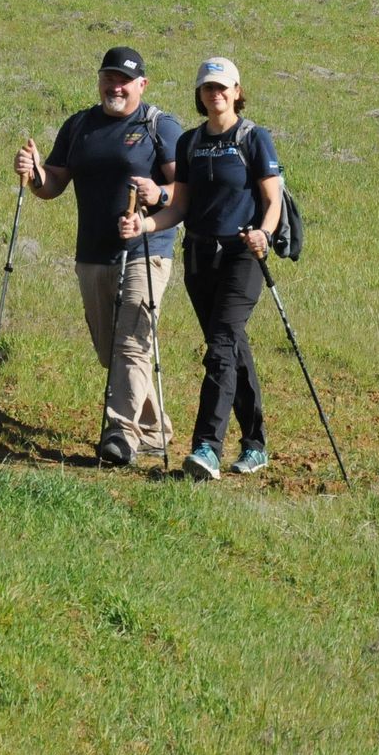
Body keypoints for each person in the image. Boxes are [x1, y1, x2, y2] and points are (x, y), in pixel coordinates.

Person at [14, 46, 182, 465]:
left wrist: (158, 195)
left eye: (124, 81)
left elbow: (185, 190)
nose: (115, 87)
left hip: (146, 249)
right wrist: (34, 171)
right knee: (110, 350)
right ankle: (154, 429)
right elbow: (53, 184)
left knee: (131, 344)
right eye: (109, 78)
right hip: (92, 253)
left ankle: (119, 436)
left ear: (142, 84)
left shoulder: (158, 126)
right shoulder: (80, 126)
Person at [119, 57, 284, 480]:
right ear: (200, 94)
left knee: (221, 346)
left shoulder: (253, 138)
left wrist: (264, 235)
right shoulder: (190, 142)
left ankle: (207, 447)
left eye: (222, 87)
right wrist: (144, 225)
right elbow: (180, 207)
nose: (215, 94)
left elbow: (273, 201)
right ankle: (255, 444)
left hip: (242, 255)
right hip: (199, 256)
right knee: (230, 345)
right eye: (208, 87)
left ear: (237, 91)